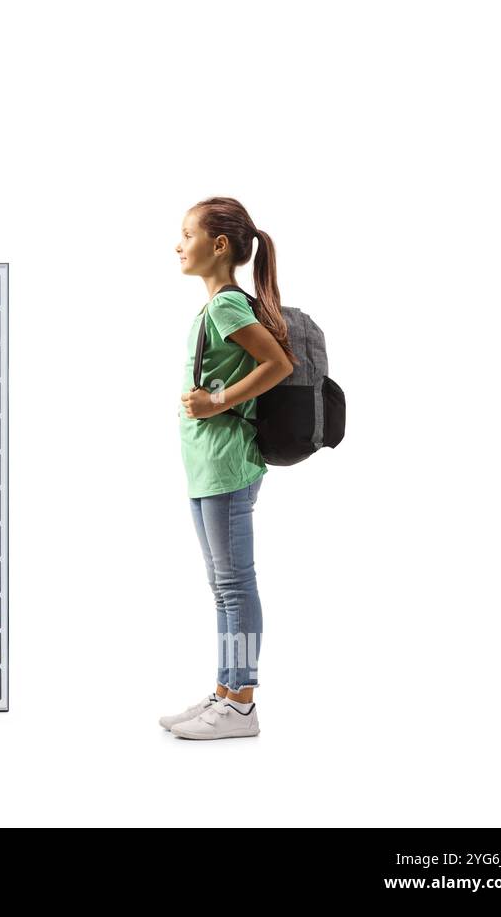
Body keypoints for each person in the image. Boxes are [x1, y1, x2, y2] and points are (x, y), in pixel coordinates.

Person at [160, 196, 295, 740]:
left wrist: (216, 404)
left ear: (218, 246)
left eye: (186, 234)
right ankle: (225, 690)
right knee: (224, 586)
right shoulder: (217, 306)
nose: (178, 244)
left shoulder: (224, 307)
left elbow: (278, 364)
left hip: (227, 466)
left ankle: (241, 704)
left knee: (235, 585)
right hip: (208, 467)